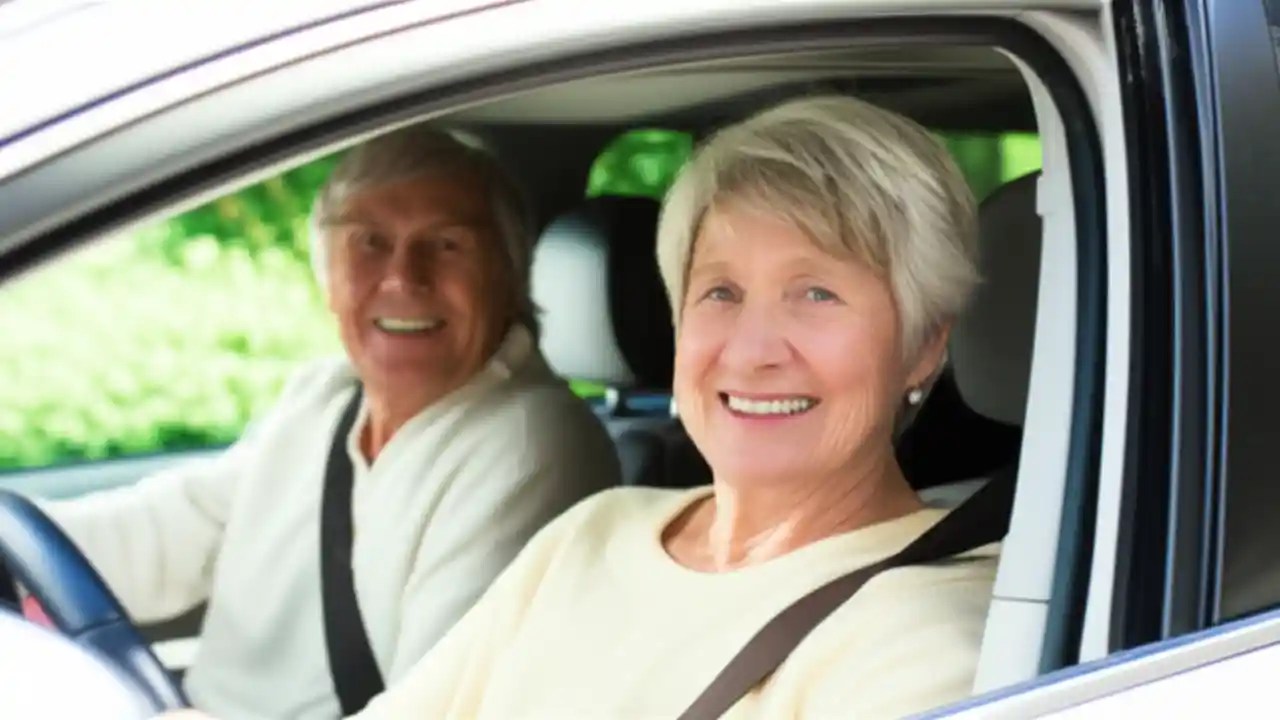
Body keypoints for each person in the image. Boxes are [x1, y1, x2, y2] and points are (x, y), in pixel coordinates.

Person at [176, 93, 997, 720]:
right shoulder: (596, 532)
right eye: (720, 292)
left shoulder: (924, 637)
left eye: (816, 293)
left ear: (925, 343)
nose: (752, 350)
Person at [41, 127, 620, 719]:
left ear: (508, 277)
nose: (403, 277)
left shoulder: (529, 446)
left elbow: (439, 708)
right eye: (370, 242)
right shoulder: (326, 397)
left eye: (446, 245)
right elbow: (161, 536)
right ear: (328, 277)